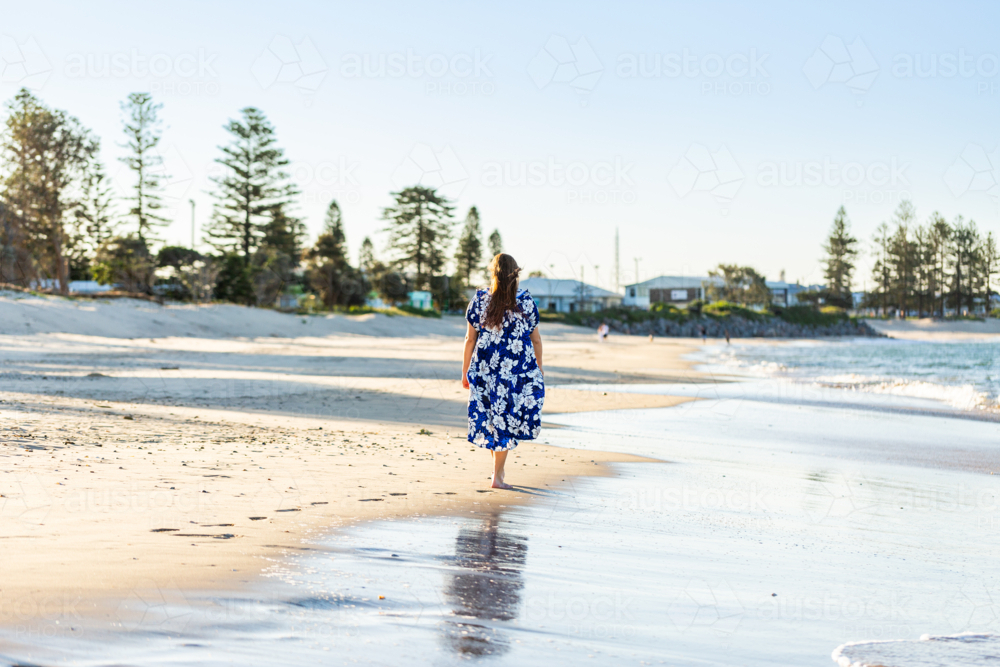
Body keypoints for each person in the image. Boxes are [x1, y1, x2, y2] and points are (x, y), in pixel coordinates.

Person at [462, 253, 545, 489]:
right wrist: (538, 370)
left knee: (493, 419)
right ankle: (497, 476)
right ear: (515, 275)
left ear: (493, 274)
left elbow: (470, 339)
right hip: (516, 374)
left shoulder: (479, 300)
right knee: (505, 420)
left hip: (484, 370)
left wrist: (465, 371)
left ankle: (497, 471)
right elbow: (536, 341)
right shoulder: (526, 302)